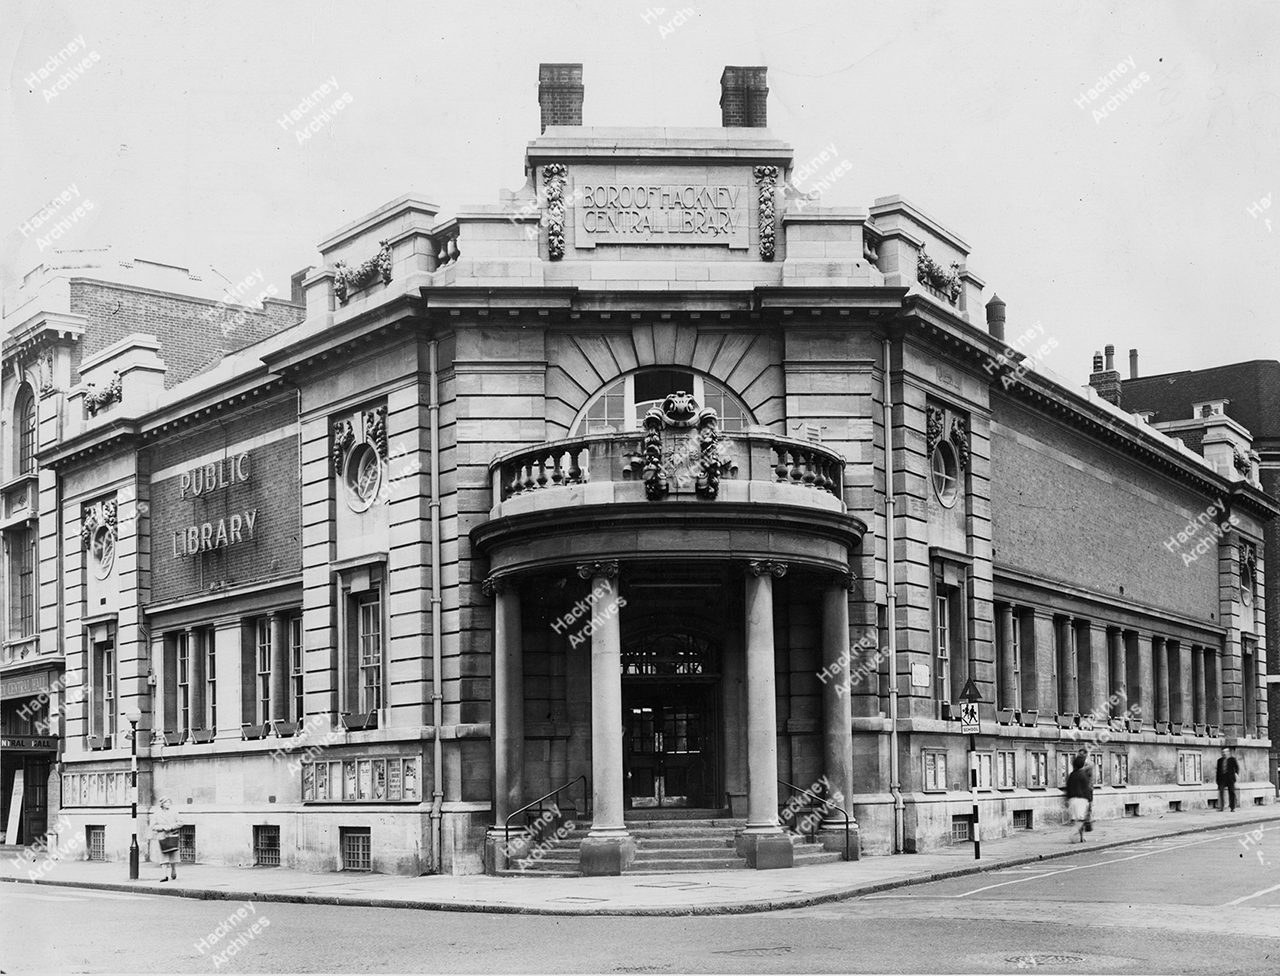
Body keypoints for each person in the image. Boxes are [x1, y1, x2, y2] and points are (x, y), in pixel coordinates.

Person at [150, 797, 182, 881]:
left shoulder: (174, 812)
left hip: (172, 835)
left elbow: (180, 822)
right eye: (166, 802)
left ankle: (173, 869)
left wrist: (171, 826)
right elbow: (153, 826)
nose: (168, 804)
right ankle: (164, 875)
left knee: (173, 854)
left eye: (169, 802)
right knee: (163, 856)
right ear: (162, 804)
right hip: (162, 837)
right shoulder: (157, 814)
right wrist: (162, 827)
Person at [1065, 753, 1093, 843]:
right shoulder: (1084, 775)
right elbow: (1086, 789)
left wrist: (1066, 799)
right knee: (1081, 819)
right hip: (1081, 799)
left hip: (1072, 799)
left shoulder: (1072, 775)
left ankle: (1080, 836)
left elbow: (1068, 788)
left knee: (1077, 819)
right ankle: (1077, 835)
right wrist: (1089, 800)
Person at [1215, 747, 1240, 812]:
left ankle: (1232, 807)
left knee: (1231, 792)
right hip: (1222, 779)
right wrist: (1217, 780)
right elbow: (1218, 771)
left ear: (1228, 753)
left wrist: (1236, 774)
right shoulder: (1219, 760)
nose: (1224, 754)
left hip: (1230, 778)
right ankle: (1221, 807)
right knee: (1221, 791)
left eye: (1225, 752)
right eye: (1223, 752)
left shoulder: (1232, 760)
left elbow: (1236, 767)